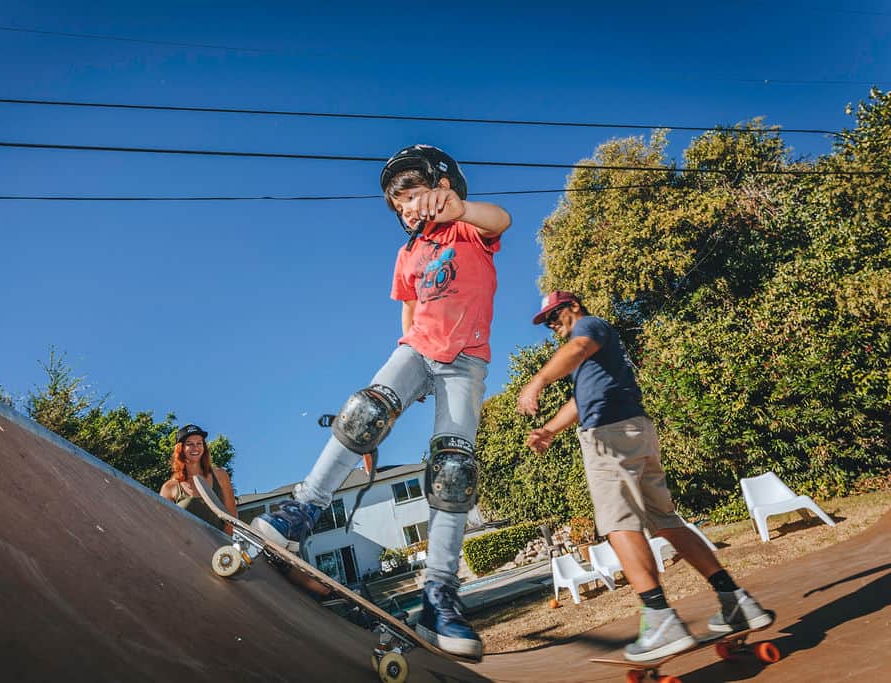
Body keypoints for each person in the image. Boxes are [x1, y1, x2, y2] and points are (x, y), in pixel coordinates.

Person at [251, 144, 511, 659]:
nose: (407, 209)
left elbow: (500, 217)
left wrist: (461, 209)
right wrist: (408, 380)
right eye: (398, 205)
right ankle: (301, 512)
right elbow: (410, 314)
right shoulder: (408, 254)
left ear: (443, 187)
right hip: (418, 349)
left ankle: (440, 594)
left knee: (453, 469)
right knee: (367, 410)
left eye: (413, 196)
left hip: (466, 362)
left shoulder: (466, 228)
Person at [517, 290, 773, 662]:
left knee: (618, 523)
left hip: (610, 437)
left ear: (573, 307)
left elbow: (576, 349)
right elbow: (579, 402)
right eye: (547, 321)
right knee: (666, 522)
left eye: (555, 314)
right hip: (636, 431)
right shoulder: (596, 358)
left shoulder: (587, 328)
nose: (552, 324)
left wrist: (537, 380)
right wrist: (550, 430)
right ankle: (735, 601)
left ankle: (659, 618)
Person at [160, 423, 237, 534]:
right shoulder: (169, 488)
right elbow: (166, 528)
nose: (195, 448)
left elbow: (232, 519)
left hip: (221, 548)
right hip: (187, 548)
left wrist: (224, 547)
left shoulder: (220, 475)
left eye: (199, 443)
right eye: (189, 444)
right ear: (180, 449)